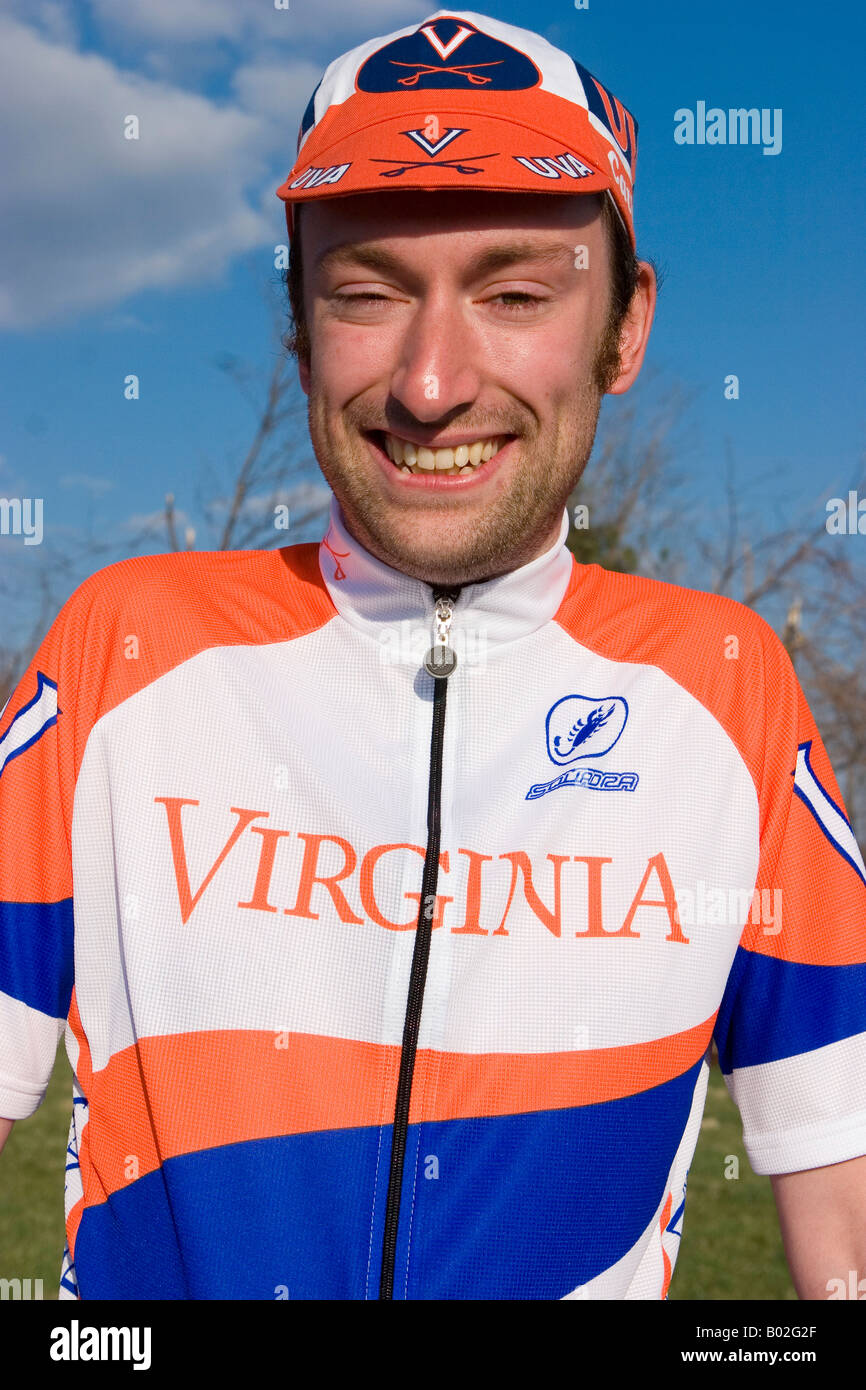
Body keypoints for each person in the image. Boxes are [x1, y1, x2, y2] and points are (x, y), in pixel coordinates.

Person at [1, 8, 865, 1302]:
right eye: (364, 292)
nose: (428, 383)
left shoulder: (729, 689)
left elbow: (838, 1218)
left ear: (624, 328)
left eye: (514, 292)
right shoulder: (122, 649)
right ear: (297, 326)